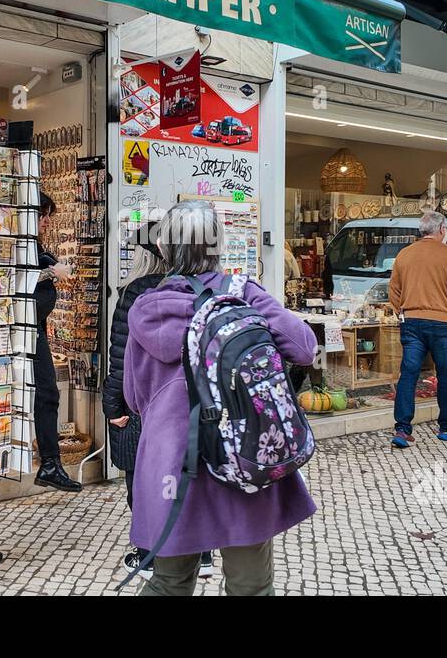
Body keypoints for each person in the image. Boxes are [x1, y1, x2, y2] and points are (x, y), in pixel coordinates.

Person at [124, 201, 318, 596]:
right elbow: (303, 347)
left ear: (164, 249)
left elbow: (133, 395)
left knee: (168, 583)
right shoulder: (243, 294)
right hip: (245, 454)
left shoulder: (147, 309)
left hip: (173, 460)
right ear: (218, 248)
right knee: (251, 586)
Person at [104, 221, 215, 580]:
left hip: (145, 404)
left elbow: (121, 356)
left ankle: (149, 554)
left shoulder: (135, 295)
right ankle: (203, 553)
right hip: (192, 404)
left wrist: (114, 405)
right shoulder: (196, 290)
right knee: (190, 474)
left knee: (145, 481)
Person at [387, 210, 447, 448]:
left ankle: (402, 430)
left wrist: (401, 312)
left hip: (412, 323)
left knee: (409, 375)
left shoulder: (404, 254)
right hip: (443, 323)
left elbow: (393, 290)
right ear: (442, 229)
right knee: (445, 375)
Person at [33, 193, 81, 492]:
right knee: (47, 393)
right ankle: (50, 463)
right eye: (43, 215)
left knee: (46, 394)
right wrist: (52, 272)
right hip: (24, 329)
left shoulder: (34, 245)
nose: (47, 221)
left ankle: (50, 463)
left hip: (36, 327)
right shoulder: (19, 243)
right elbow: (10, 279)